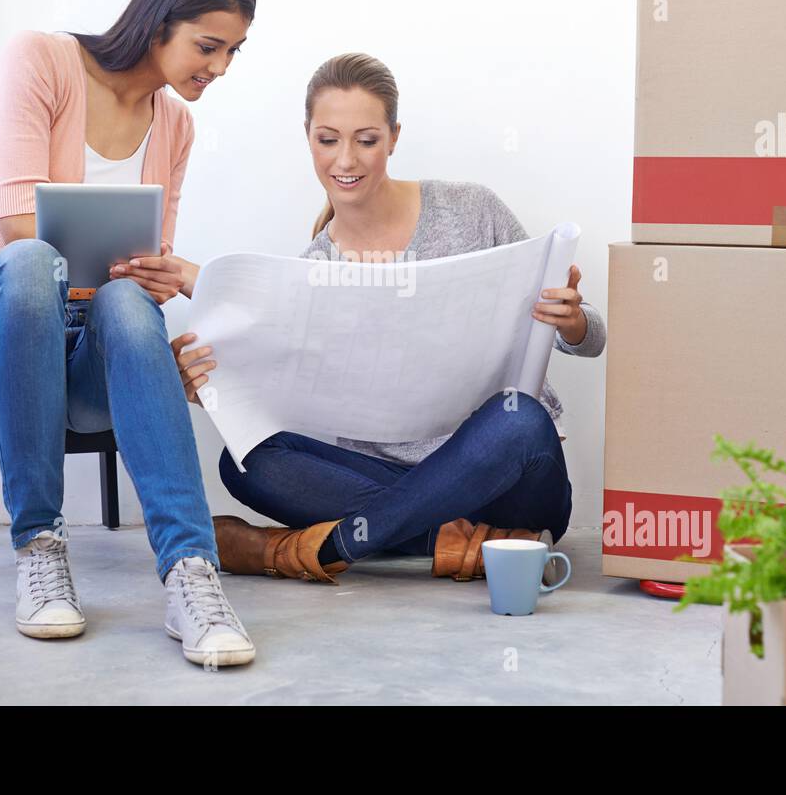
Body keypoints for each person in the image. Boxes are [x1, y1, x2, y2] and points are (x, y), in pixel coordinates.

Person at [172, 52, 605, 585]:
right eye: (328, 139)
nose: (346, 160)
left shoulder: (471, 208)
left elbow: (592, 338)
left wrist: (571, 322)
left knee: (518, 417)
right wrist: (218, 384)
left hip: (507, 479)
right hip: (386, 477)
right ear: (307, 136)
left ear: (394, 137)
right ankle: (445, 540)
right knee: (244, 461)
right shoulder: (313, 270)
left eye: (367, 139)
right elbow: (288, 404)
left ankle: (324, 547)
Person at [0, 0, 257, 666]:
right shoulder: (41, 61)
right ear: (158, 22)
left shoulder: (174, 126)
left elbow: (144, 267)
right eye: (208, 45)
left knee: (125, 300)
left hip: (89, 362)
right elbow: (17, 220)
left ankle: (190, 574)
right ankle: (41, 548)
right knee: (30, 262)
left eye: (234, 51)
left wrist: (149, 315)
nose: (219, 67)